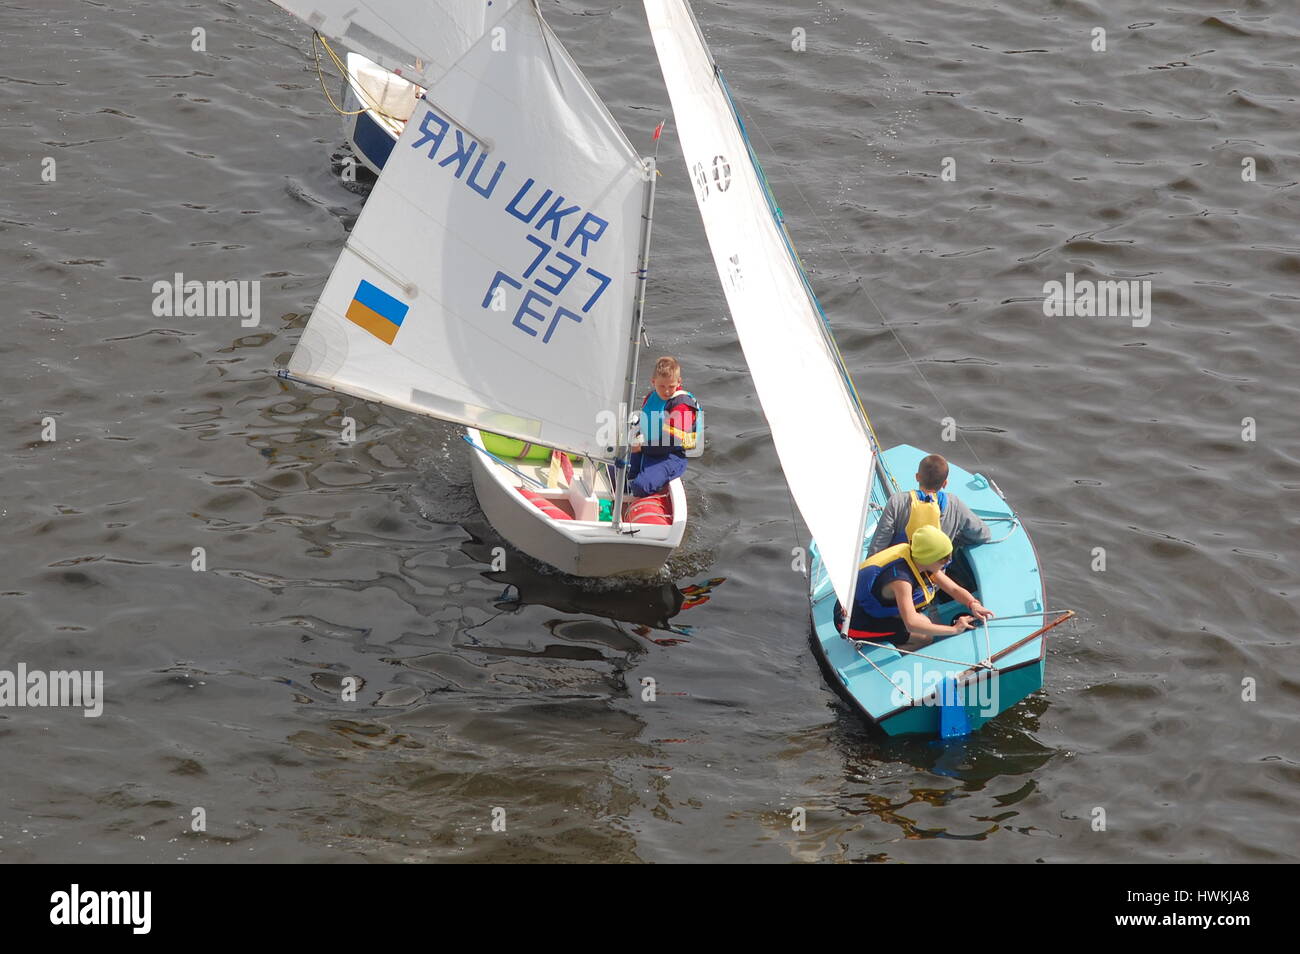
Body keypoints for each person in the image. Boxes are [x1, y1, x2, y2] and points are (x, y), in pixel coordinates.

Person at [834, 525, 994, 648]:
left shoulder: (920, 559)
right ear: (929, 558)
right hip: (854, 622)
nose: (948, 562)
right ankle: (896, 650)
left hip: (872, 605)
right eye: (944, 559)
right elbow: (911, 623)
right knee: (925, 637)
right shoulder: (901, 582)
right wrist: (954, 630)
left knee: (925, 621)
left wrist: (973, 604)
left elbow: (953, 589)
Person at [868, 453, 990, 556]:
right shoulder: (955, 504)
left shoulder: (897, 501)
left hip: (898, 572)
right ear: (945, 483)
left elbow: (878, 546)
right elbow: (983, 534)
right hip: (932, 579)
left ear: (917, 477)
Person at [627, 356, 698, 497]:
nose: (666, 391)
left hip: (671, 455)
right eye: (662, 386)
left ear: (679, 382)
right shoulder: (651, 397)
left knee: (641, 486)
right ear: (653, 382)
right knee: (618, 470)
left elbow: (673, 441)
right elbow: (644, 422)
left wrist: (642, 447)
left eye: (671, 386)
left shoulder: (683, 406)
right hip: (647, 447)